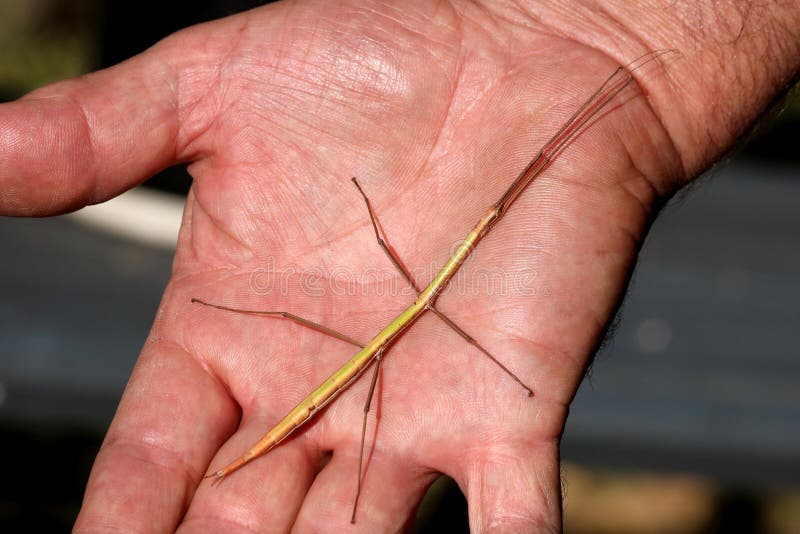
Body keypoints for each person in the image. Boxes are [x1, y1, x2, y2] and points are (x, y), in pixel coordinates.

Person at [1, 1, 797, 532]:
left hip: (358, 358)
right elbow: (404, 261)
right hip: (331, 381)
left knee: (357, 386)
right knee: (321, 351)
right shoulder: (439, 290)